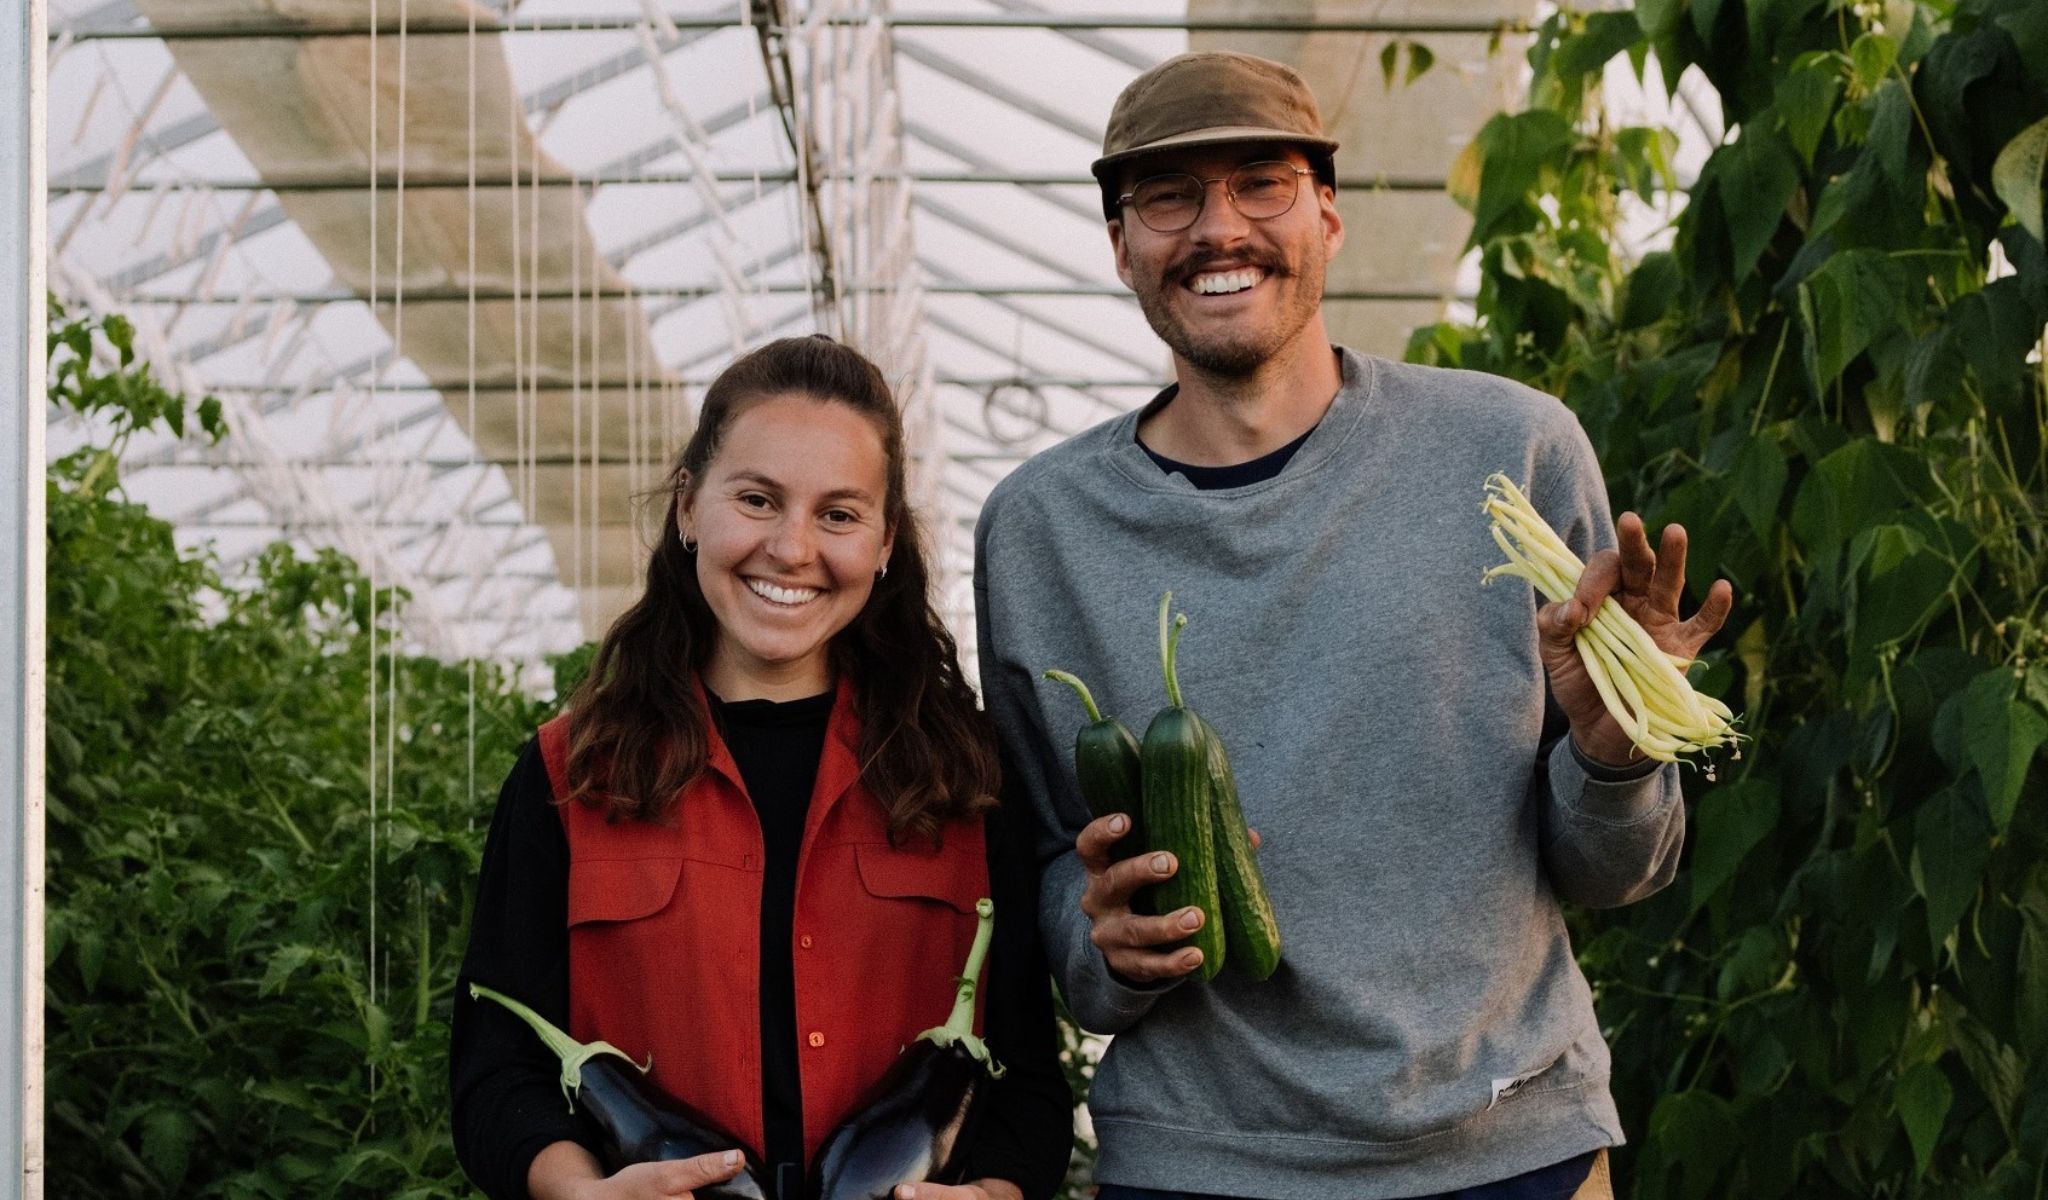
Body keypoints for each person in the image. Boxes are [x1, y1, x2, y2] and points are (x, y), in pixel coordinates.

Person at [973, 52, 1735, 1200]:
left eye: (1261, 184)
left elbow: (1617, 873)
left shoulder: (1509, 454)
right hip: (1202, 1165)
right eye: (1168, 197)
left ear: (1326, 215)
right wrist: (1103, 946)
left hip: (1510, 1147)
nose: (1217, 228)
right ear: (1119, 246)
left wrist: (1614, 753)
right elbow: (1041, 875)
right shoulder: (1039, 530)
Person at [453, 336, 1072, 1200]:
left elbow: (1026, 1080)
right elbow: (497, 1064)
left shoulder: (964, 778)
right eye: (757, 499)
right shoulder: (571, 773)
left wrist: (992, 1194)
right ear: (688, 508)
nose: (791, 547)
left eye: (839, 515)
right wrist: (579, 1192)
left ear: (885, 542)